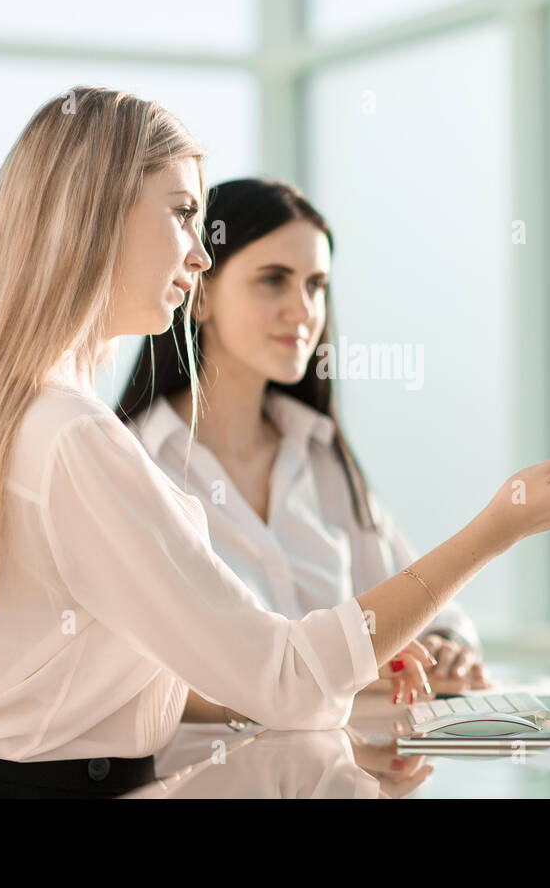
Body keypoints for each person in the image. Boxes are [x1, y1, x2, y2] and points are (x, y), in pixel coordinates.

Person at [0, 85, 550, 798]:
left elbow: (112, 682)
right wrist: (505, 523)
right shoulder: (75, 439)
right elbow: (281, 677)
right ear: (96, 213)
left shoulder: (24, 418)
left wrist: (346, 678)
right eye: (183, 214)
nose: (195, 251)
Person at [116, 178, 486, 706]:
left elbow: (423, 596)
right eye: (273, 280)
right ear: (199, 294)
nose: (303, 309)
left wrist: (446, 643)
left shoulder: (320, 452)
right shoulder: (135, 460)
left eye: (315, 284)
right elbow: (145, 677)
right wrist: (342, 673)